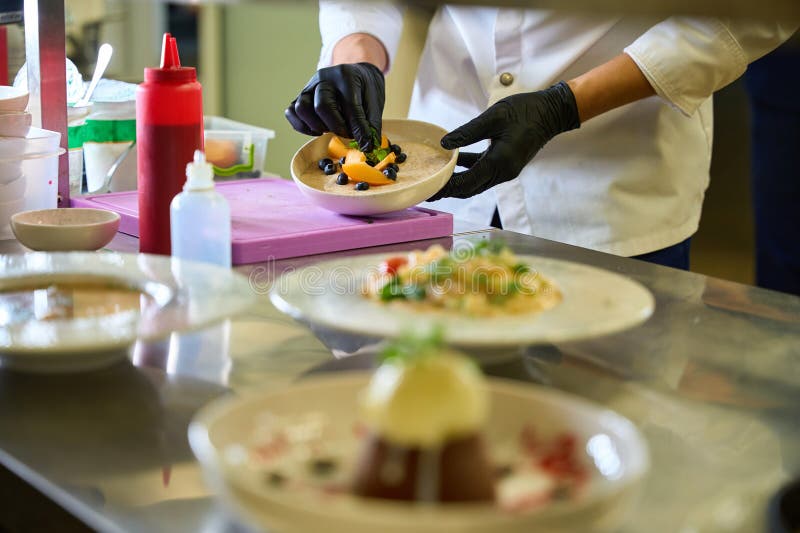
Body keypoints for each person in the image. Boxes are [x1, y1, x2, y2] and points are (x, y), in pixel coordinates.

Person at [286, 4, 796, 270]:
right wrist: (356, 48)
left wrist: (566, 105)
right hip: (441, 188)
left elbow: (759, 10)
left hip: (611, 194)